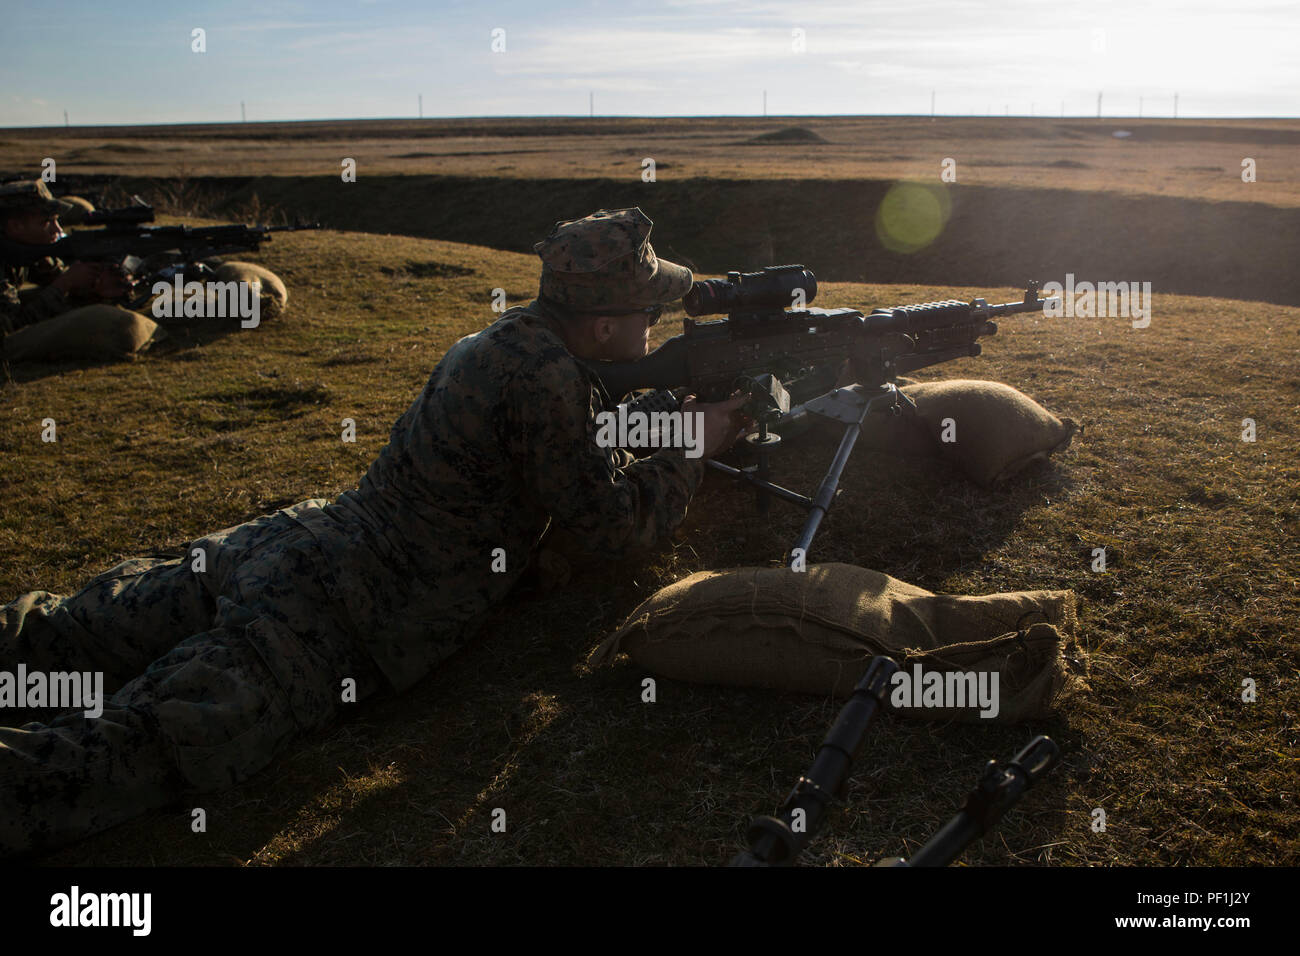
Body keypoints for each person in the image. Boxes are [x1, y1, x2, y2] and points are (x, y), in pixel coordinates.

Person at [0, 206, 749, 856]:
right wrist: (692, 447)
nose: (657, 322)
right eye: (649, 310)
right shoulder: (548, 377)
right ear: (605, 320)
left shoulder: (507, 340)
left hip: (293, 542)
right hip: (335, 614)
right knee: (130, 749)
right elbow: (611, 525)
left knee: (57, 634)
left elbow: (563, 453)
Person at [1, 180, 149, 368]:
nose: (58, 230)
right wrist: (65, 283)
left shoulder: (25, 248)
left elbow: (56, 278)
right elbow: (12, 329)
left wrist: (94, 288)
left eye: (57, 220)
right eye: (46, 222)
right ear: (15, 226)